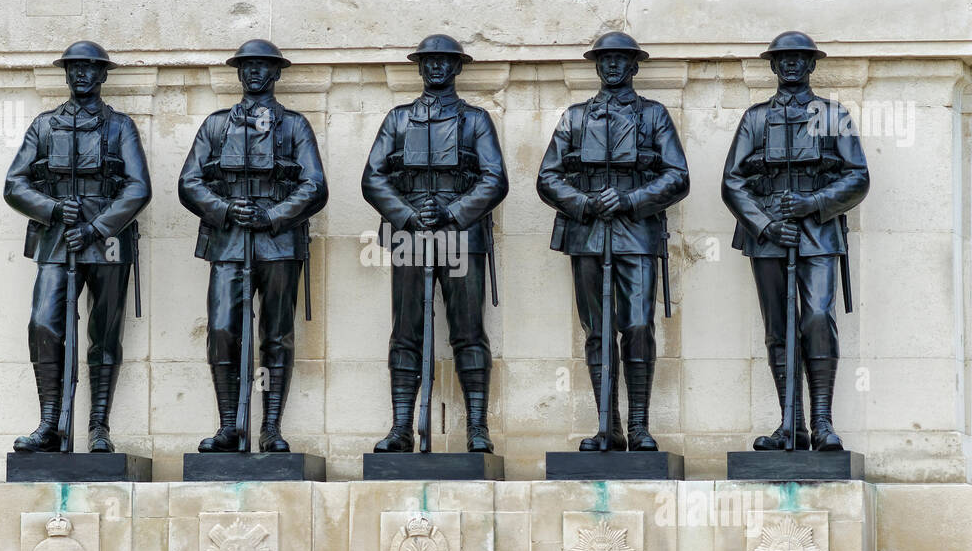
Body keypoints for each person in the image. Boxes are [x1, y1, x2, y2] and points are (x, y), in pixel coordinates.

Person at [537, 32, 689, 451]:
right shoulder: (575, 116)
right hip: (586, 232)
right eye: (605, 59)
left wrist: (630, 199)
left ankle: (639, 425)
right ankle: (609, 424)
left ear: (634, 65)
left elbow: (678, 176)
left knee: (638, 326)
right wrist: (584, 202)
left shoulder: (654, 115)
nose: (613, 66)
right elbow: (548, 177)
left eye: (621, 59)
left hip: (636, 232)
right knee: (597, 331)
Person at [721, 31, 869, 451]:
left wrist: (813, 203)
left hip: (819, 230)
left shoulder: (832, 115)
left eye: (798, 58)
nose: (790, 64)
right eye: (782, 58)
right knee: (778, 328)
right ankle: (792, 423)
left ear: (811, 65)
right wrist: (765, 226)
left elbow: (857, 176)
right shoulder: (755, 118)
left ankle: (822, 422)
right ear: (773, 65)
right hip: (768, 234)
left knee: (818, 318)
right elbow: (732, 182)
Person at [361, 34, 508, 453]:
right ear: (420, 67)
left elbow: (494, 178)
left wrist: (451, 212)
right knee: (405, 331)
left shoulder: (475, 120)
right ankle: (401, 426)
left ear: (457, 67)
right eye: (429, 61)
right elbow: (374, 177)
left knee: (468, 331)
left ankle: (477, 427)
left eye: (445, 61)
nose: (437, 67)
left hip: (461, 235)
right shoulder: (398, 119)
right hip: (410, 237)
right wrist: (408, 215)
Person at [178, 39, 327, 452]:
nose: (255, 72)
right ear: (239, 73)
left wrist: (272, 215)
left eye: (263, 66)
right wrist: (225, 208)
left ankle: (271, 427)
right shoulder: (216, 125)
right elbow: (189, 182)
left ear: (276, 73)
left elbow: (315, 185)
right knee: (223, 330)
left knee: (276, 335)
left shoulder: (294, 125)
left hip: (279, 243)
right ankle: (230, 424)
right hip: (227, 242)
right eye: (248, 66)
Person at [5, 41, 152, 453]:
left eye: (90, 68)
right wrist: (53, 208)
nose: (82, 74)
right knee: (44, 324)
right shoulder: (45, 125)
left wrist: (95, 228)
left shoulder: (120, 126)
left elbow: (139, 188)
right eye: (74, 68)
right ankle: (50, 422)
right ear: (66, 74)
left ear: (103, 75)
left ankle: (98, 426)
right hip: (56, 240)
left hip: (106, 242)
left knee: (104, 333)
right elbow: (15, 185)